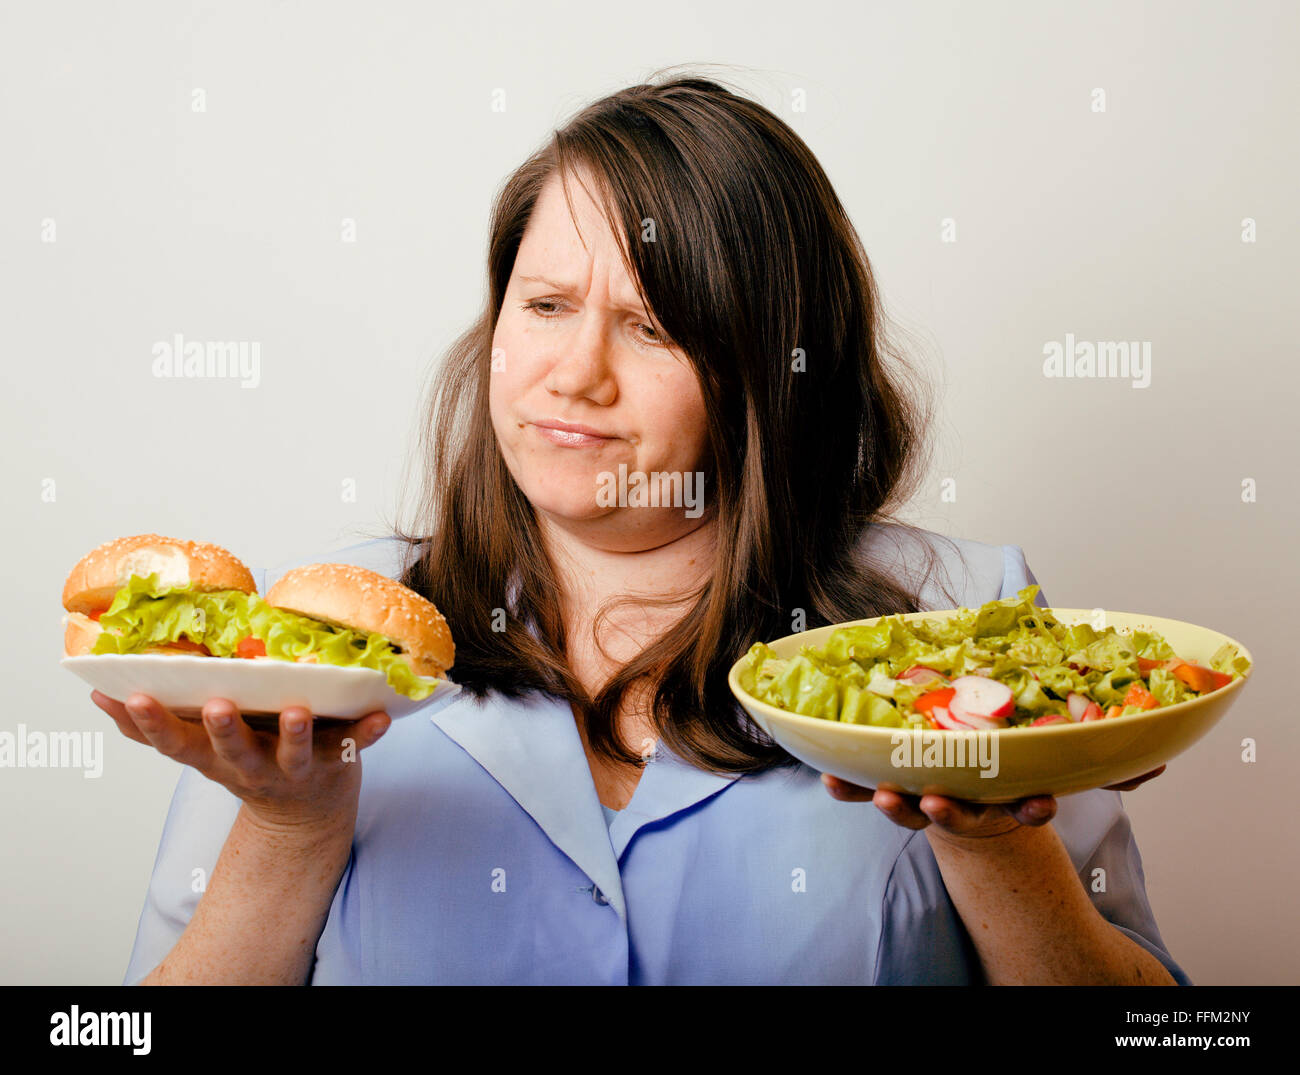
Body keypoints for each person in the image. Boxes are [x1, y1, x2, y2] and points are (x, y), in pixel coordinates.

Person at [103, 73, 1189, 986]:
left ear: (772, 372)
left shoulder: (964, 622)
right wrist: (291, 827)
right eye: (543, 307)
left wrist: (993, 837)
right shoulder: (318, 645)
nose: (574, 375)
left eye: (653, 326)